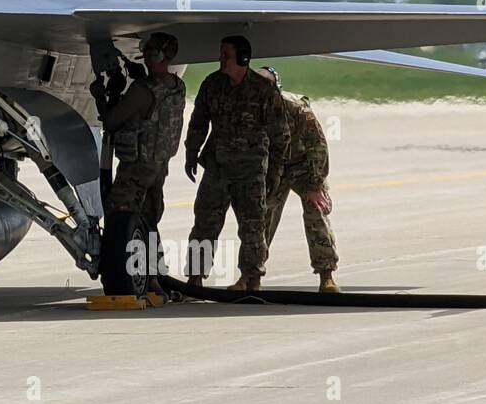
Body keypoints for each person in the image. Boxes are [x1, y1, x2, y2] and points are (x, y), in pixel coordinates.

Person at [183, 35, 288, 291]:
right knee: (205, 224)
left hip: (250, 172)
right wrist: (191, 153)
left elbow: (280, 135)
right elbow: (198, 121)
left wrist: (274, 174)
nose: (221, 60)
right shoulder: (213, 84)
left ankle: (252, 280)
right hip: (217, 169)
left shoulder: (263, 90)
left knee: (253, 227)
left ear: (242, 59)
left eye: (226, 56)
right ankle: (195, 280)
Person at [90, 34, 187, 293]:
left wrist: (100, 97)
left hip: (137, 166)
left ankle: (131, 275)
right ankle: (154, 277)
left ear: (157, 55)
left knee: (120, 216)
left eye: (150, 51)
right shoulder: (177, 86)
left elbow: (111, 121)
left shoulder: (142, 90)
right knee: (148, 220)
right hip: (159, 165)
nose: (145, 54)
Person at [257, 67, 339, 292]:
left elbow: (319, 145)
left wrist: (314, 184)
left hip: (304, 166)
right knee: (261, 216)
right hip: (276, 169)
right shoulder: (252, 109)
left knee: (316, 211)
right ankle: (251, 275)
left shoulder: (295, 107)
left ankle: (326, 275)